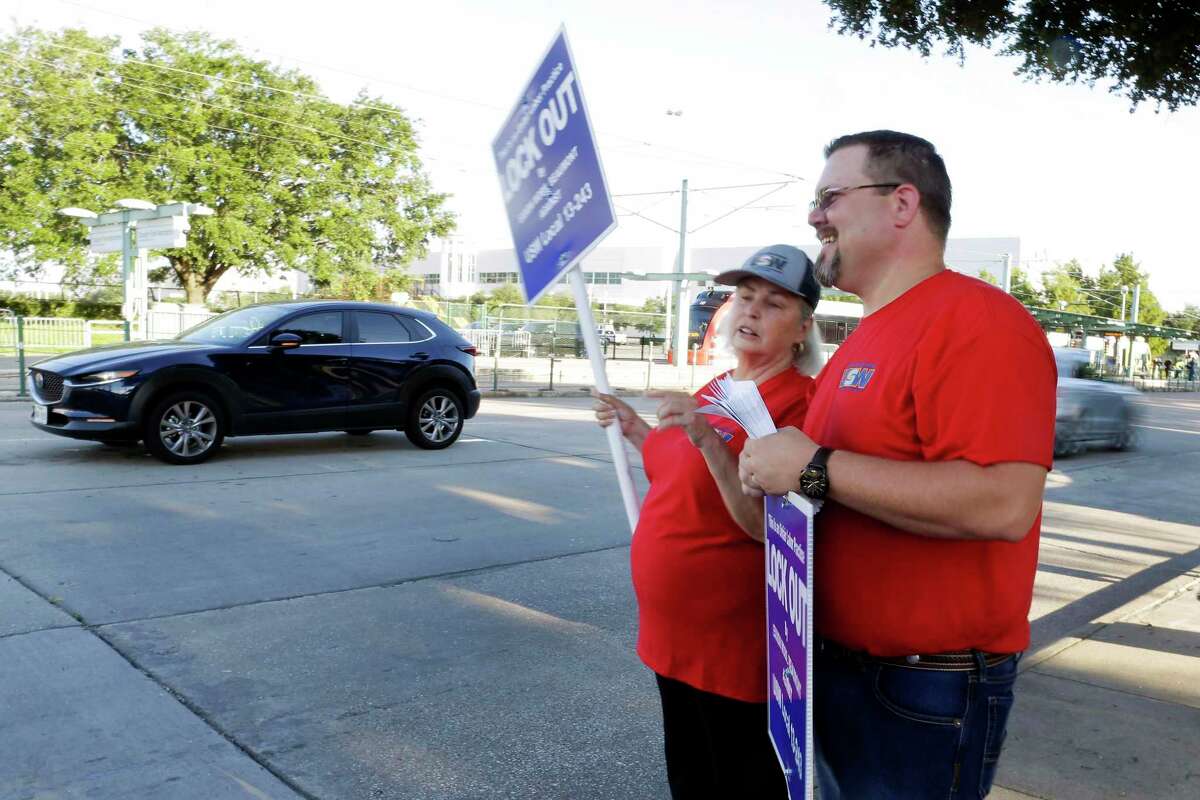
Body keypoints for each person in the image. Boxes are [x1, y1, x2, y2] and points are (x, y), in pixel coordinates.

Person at [738, 131, 1056, 798]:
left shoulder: (978, 322)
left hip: (924, 688)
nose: (813, 216)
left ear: (902, 203)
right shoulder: (872, 331)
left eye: (829, 197)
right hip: (841, 671)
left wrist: (813, 465)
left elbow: (1002, 503)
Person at [593, 244, 822, 799]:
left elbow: (769, 531)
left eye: (772, 303)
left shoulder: (798, 405)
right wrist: (636, 431)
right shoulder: (719, 390)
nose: (750, 312)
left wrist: (706, 436)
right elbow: (678, 479)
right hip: (673, 636)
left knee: (739, 785)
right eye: (744, 298)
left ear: (802, 327)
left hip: (732, 649)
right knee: (691, 780)